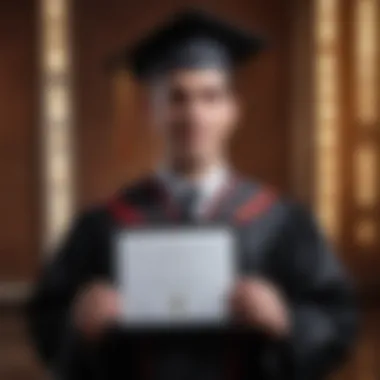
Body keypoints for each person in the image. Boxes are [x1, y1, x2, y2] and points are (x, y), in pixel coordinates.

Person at [28, 8, 357, 380]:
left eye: (210, 97)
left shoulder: (282, 222)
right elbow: (47, 325)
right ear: (151, 109)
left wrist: (288, 322)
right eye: (177, 98)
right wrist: (79, 326)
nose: (194, 115)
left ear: (233, 111)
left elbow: (337, 321)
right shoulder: (102, 225)